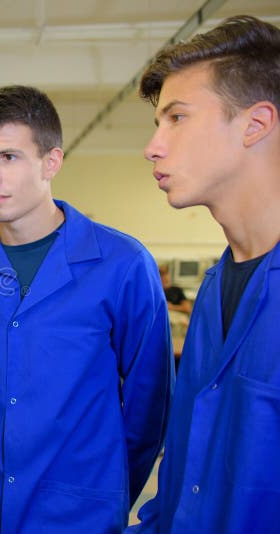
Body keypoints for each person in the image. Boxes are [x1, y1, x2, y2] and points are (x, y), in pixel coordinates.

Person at [0, 85, 174, 533]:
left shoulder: (122, 264)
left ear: (51, 162)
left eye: (8, 157)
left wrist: (105, 486)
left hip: (80, 510)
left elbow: (149, 407)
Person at [130, 15, 280, 532]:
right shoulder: (218, 286)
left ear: (255, 124)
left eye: (176, 118)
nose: (153, 146)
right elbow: (189, 472)